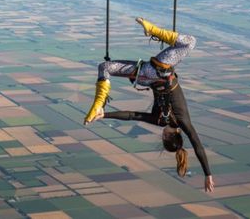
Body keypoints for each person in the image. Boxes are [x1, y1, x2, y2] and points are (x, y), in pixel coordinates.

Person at [84, 17, 214, 193]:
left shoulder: (183, 120)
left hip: (160, 69)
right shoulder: (159, 120)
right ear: (165, 137)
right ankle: (98, 106)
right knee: (105, 67)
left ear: (177, 135)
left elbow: (197, 144)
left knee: (190, 42)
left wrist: (208, 174)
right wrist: (105, 115)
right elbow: (132, 115)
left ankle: (153, 30)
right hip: (145, 77)